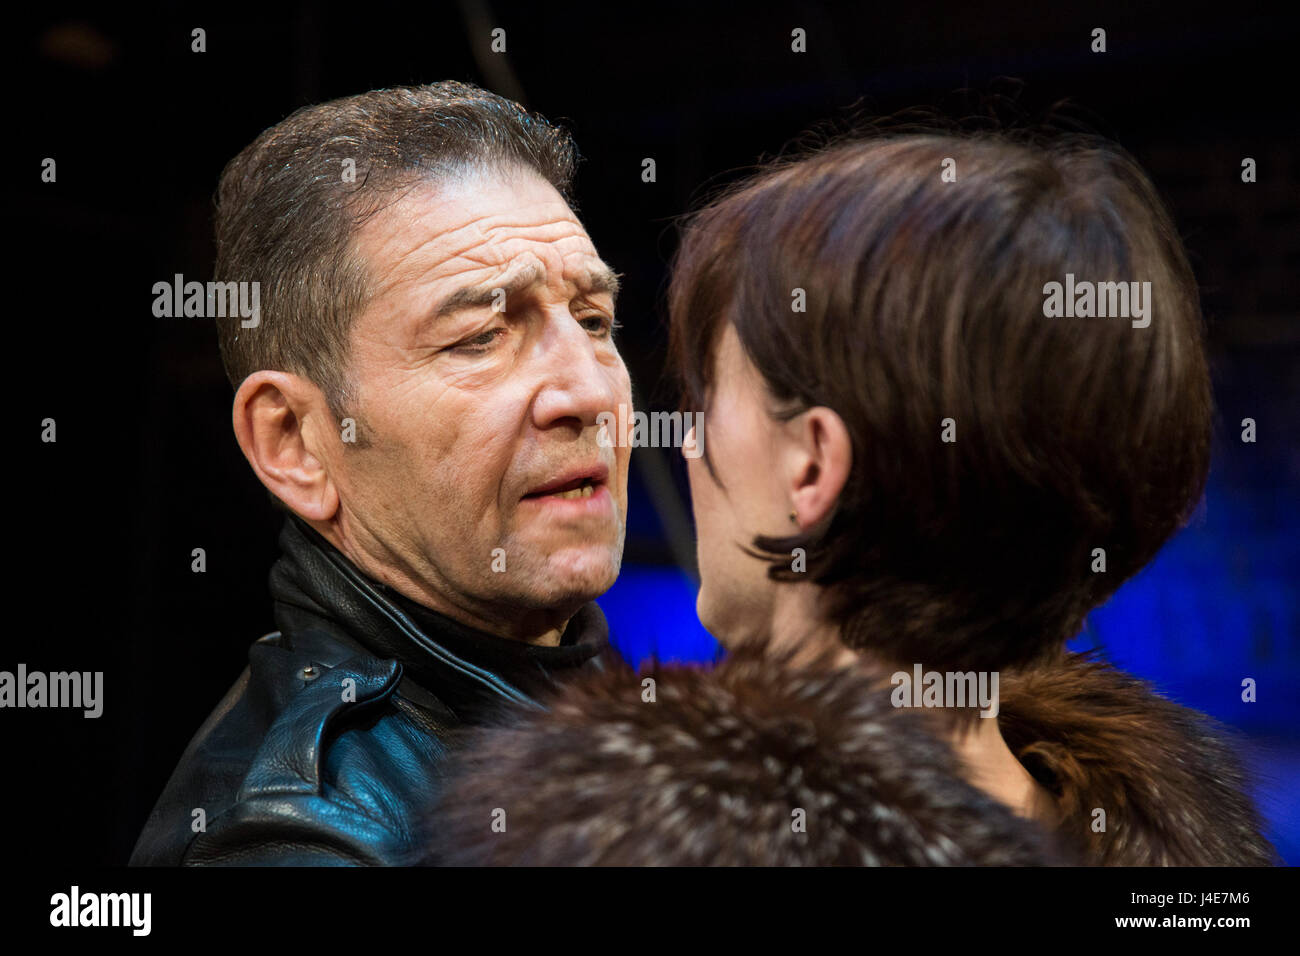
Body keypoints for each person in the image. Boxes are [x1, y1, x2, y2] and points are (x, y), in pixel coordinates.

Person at [418, 128, 1277, 866]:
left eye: (705, 399)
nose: (676, 440)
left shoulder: (601, 840)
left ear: (811, 468)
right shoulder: (1192, 860)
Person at [130, 81, 633, 865]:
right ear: (294, 442)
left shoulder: (593, 689)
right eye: (481, 336)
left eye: (594, 320)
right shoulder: (303, 841)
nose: (591, 392)